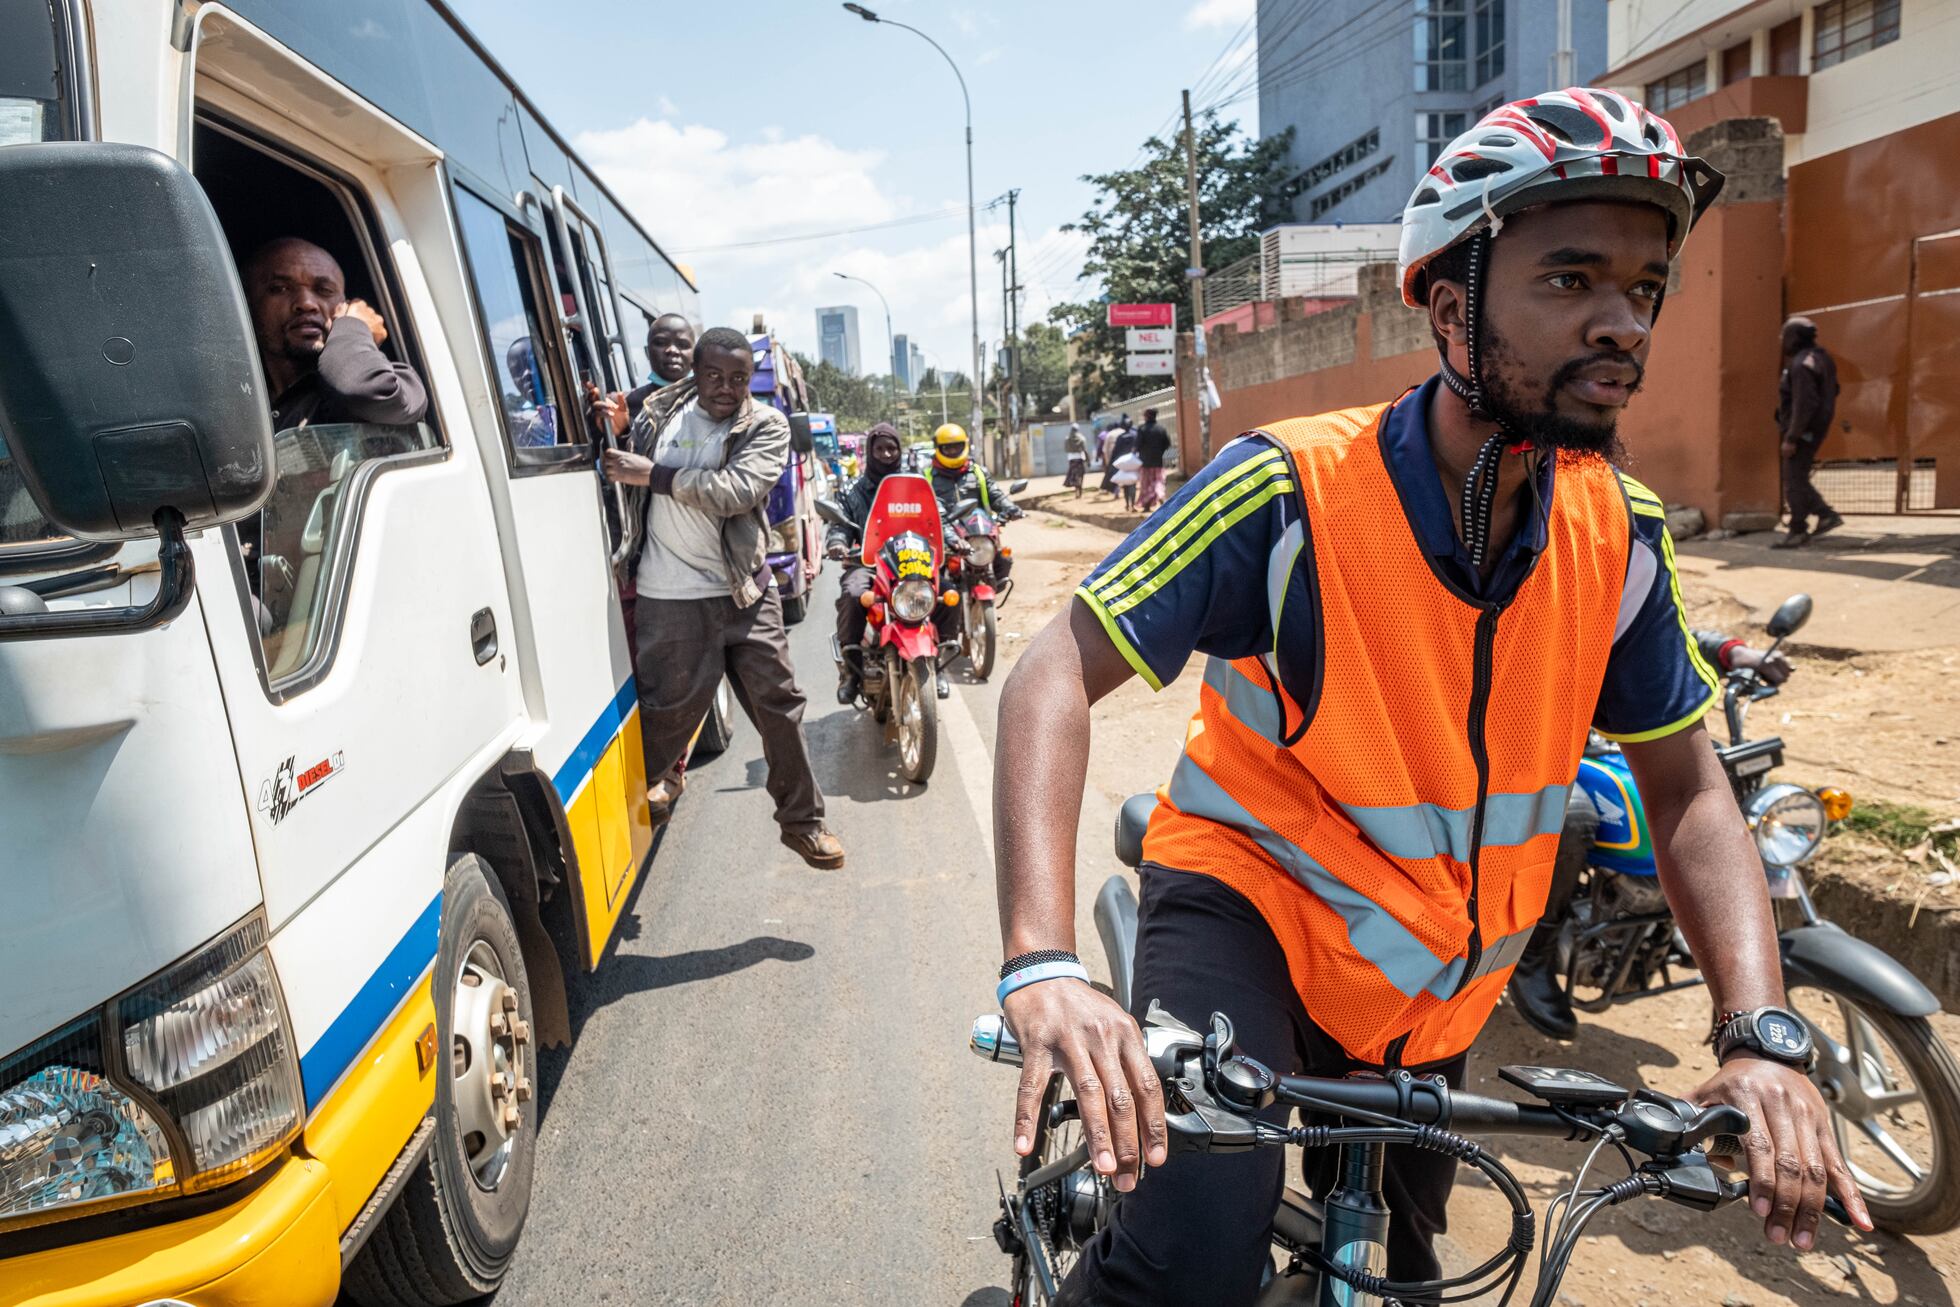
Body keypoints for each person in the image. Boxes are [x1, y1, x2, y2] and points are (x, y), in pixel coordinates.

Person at [990, 89, 1869, 1306]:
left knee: (1409, 1277)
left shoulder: (1620, 535)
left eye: (1646, 288)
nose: (1623, 323)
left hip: (1436, 990)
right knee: (1189, 1261)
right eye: (1571, 281)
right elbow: (1051, 672)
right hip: (1249, 926)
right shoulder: (1286, 488)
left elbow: (1683, 786)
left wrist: (1758, 1030)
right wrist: (1039, 960)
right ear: (1451, 307)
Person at [603, 326, 844, 870]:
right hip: (668, 595)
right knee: (668, 708)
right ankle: (658, 786)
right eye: (713, 375)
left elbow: (736, 491)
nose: (726, 388)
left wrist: (656, 476)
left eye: (738, 378)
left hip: (744, 591)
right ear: (695, 371)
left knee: (780, 705)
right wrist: (613, 425)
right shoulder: (660, 410)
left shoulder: (766, 425)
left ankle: (803, 823)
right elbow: (618, 438)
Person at [1508, 631, 1794, 1038]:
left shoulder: (1604, 573)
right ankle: (1531, 954)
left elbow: (1659, 630)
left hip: (1607, 737)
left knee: (1701, 777)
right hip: (1526, 743)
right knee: (1573, 816)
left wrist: (1734, 652)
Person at [246, 236, 428, 431]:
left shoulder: (395, 381)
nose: (307, 303)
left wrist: (355, 327)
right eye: (280, 288)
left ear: (346, 306)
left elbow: (364, 390)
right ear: (248, 304)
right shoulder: (239, 399)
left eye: (324, 290)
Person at [930, 422, 1023, 695]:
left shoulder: (977, 472)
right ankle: (941, 642)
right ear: (938, 449)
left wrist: (1011, 507)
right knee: (939, 588)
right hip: (947, 542)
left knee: (1004, 560)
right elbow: (933, 508)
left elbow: (994, 495)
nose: (953, 451)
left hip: (977, 536)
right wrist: (945, 534)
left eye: (957, 446)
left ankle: (984, 600)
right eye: (947, 447)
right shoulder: (928, 476)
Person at [827, 423, 906, 703]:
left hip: (908, 562)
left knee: (944, 590)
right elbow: (840, 526)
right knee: (853, 595)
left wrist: (950, 538)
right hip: (867, 563)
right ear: (870, 452)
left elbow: (936, 517)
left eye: (891, 448)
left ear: (899, 450)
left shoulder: (913, 484)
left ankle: (938, 656)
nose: (886, 454)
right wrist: (837, 543)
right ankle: (852, 672)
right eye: (880, 448)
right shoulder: (852, 490)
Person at [1773, 316, 1843, 549]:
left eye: (1784, 335)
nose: (1781, 340)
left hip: (1802, 433)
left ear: (1793, 337)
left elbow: (1805, 403)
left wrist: (1792, 436)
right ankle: (1824, 516)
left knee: (1794, 481)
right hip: (1812, 429)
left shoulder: (1802, 364)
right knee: (1798, 477)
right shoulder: (1822, 359)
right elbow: (1834, 390)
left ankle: (1799, 528)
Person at [1134, 408, 1171, 511]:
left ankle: (1146, 505)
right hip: (1158, 461)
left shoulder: (1142, 429)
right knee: (1158, 481)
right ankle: (1160, 495)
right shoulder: (1161, 429)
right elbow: (1167, 444)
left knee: (1146, 484)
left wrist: (1135, 450)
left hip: (1145, 462)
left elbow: (1137, 445)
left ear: (1147, 416)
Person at [1063, 423, 1089, 497]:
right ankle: (1080, 491)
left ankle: (1076, 491)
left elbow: (1066, 449)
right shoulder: (1081, 438)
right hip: (1080, 458)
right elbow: (1084, 449)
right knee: (1080, 475)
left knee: (1073, 475)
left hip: (1071, 459)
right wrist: (1088, 459)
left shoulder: (1067, 439)